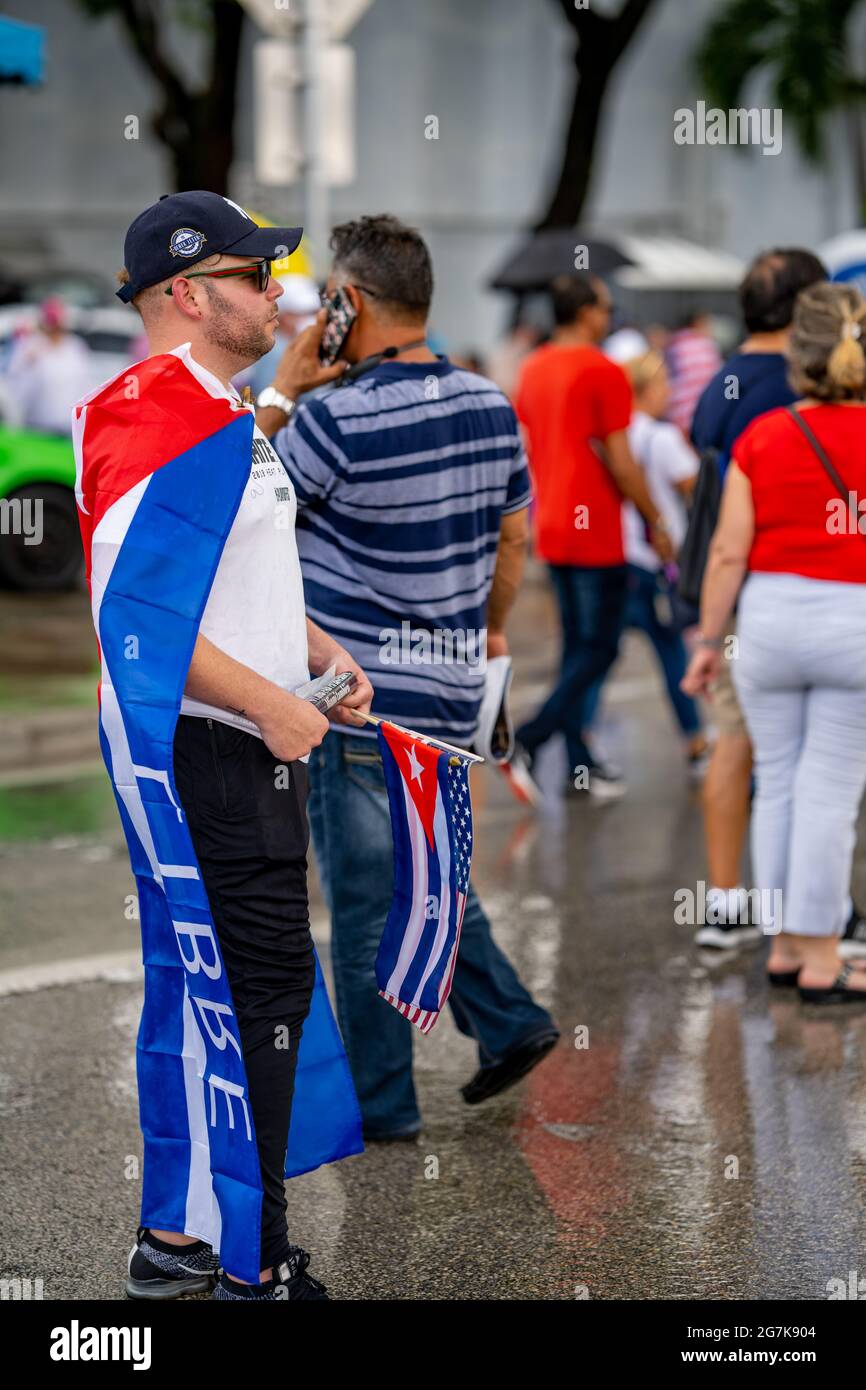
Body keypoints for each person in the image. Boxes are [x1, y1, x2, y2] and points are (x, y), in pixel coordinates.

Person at [78, 191, 373, 1301]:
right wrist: (268, 705)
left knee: (210, 992)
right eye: (255, 277)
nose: (277, 295)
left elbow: (227, 578)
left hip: (236, 732)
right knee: (257, 994)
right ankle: (256, 1261)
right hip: (204, 748)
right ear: (187, 293)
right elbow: (136, 620)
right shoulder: (152, 411)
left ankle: (182, 1239)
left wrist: (317, 648)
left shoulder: (215, 404)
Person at [257, 214, 559, 1140]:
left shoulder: (332, 422)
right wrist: (491, 629)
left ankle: (385, 1108)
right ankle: (510, 1021)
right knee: (427, 874)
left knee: (365, 904)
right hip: (452, 689)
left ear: (347, 304)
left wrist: (281, 391)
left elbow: (239, 512)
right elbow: (513, 538)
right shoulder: (490, 402)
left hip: (360, 701)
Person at [682, 282, 866, 1002]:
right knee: (829, 792)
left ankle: (785, 945)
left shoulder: (764, 434)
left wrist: (706, 641)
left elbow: (728, 553)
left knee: (781, 783)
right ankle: (824, 957)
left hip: (767, 623)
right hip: (852, 622)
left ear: (799, 354)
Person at [689, 248, 829, 948]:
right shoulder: (797, 385)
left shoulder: (722, 384)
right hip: (788, 589)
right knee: (806, 763)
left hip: (731, 596)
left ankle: (725, 903)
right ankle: (812, 920)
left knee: (735, 746)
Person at [512, 273, 673, 799]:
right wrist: (656, 520)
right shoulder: (604, 370)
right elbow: (624, 463)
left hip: (553, 522)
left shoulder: (532, 368)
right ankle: (531, 738)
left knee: (577, 647)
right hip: (596, 528)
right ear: (585, 313)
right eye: (605, 306)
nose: (609, 316)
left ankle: (579, 764)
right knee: (599, 649)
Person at [582, 351, 705, 769]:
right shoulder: (660, 437)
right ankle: (694, 739)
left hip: (619, 558)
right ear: (646, 389)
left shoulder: (613, 434)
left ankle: (580, 736)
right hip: (656, 563)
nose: (669, 392)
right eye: (664, 384)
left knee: (602, 652)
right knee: (671, 651)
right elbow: (696, 487)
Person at [3, 297, 93, 433]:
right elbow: (15, 384)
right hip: (36, 426)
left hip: (69, 426)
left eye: (57, 323)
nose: (54, 328)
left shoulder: (75, 346)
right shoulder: (31, 346)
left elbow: (85, 384)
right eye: (51, 323)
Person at [241, 272, 320, 398]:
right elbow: (268, 398)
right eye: (298, 313)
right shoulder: (273, 350)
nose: (308, 319)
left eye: (312, 312)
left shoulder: (304, 345)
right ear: (281, 316)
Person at [665, 309, 722, 436]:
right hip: (700, 415)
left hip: (675, 415)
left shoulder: (673, 345)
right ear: (697, 324)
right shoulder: (707, 346)